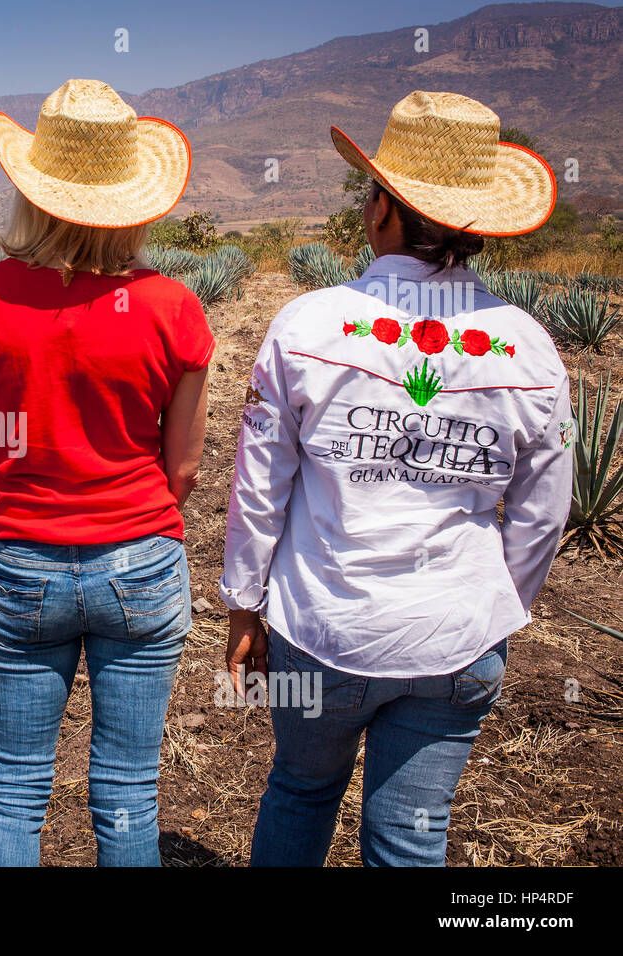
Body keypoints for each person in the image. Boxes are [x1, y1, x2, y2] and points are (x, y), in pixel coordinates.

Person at [220, 91, 570, 866]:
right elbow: (544, 515)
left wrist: (245, 608)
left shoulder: (307, 324)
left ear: (379, 208)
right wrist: (494, 606)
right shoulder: (528, 347)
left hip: (321, 631)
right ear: (476, 227)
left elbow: (259, 486)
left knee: (300, 792)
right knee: (410, 838)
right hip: (457, 642)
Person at [0, 79, 213, 866]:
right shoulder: (173, 308)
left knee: (16, 789)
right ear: (135, 202)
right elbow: (186, 468)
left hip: (23, 559)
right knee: (129, 789)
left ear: (32, 192)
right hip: (141, 560)